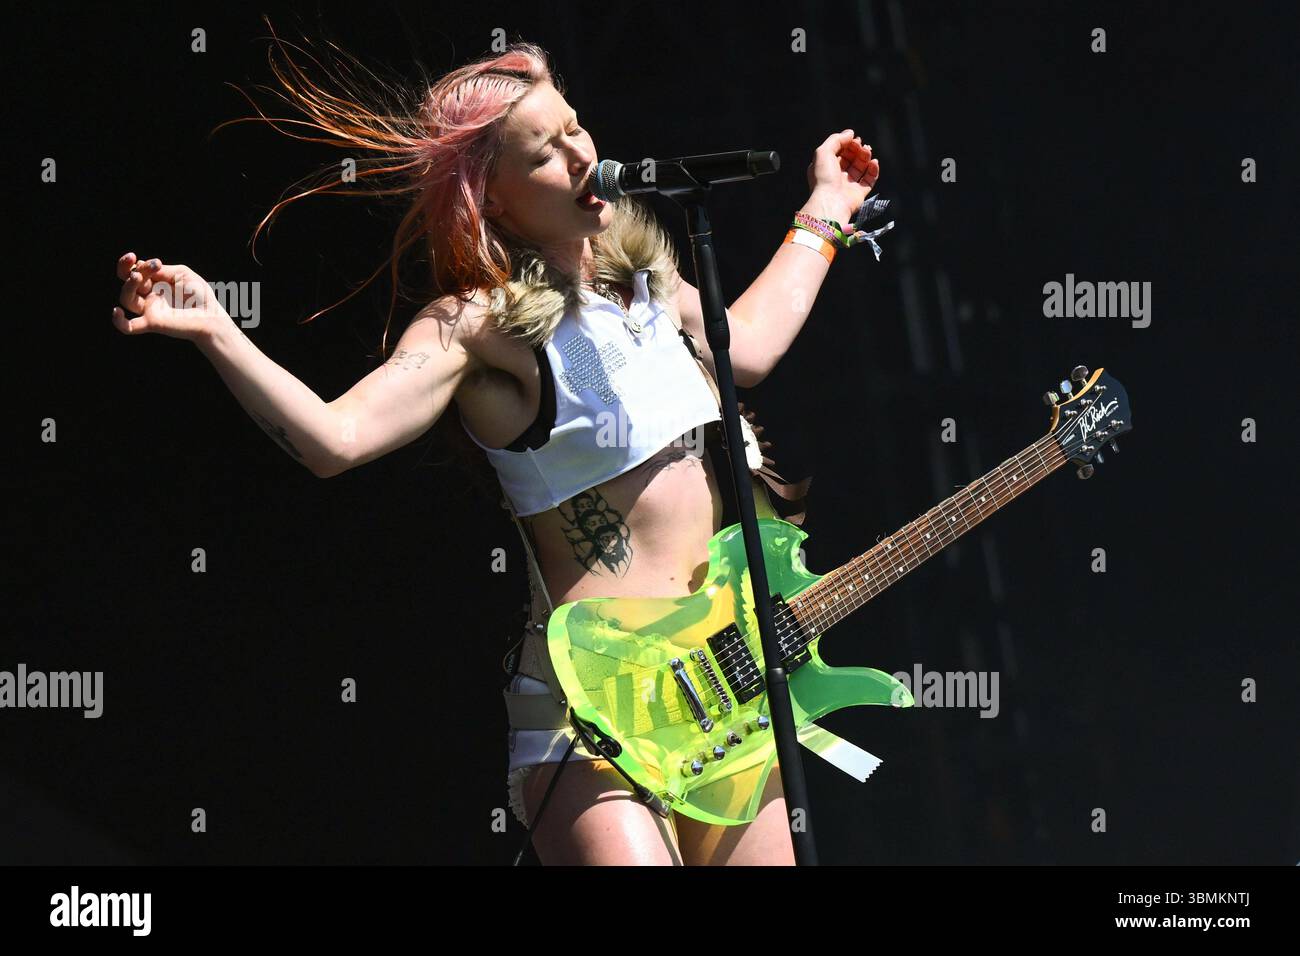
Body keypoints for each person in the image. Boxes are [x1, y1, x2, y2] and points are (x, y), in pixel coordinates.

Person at [111, 32, 879, 865]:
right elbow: (334, 439)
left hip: (718, 693)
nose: (581, 155)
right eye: (546, 152)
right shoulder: (477, 328)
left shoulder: (645, 283)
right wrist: (215, 329)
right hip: (594, 715)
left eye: (576, 128)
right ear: (497, 200)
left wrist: (827, 207)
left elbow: (750, 346)